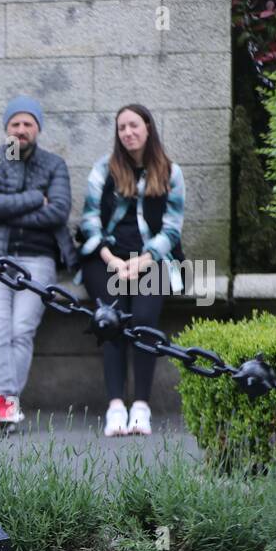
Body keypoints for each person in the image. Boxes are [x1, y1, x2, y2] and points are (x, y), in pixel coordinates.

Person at [77, 103, 186, 437]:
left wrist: (144, 260)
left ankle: (141, 405)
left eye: (134, 125)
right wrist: (112, 259)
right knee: (110, 319)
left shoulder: (170, 173)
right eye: (122, 127)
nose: (128, 133)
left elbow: (172, 229)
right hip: (107, 258)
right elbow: (89, 221)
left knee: (143, 320)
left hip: (151, 260)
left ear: (148, 128)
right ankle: (115, 407)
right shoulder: (103, 169)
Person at [0, 96, 77, 433]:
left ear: (38, 128)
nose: (21, 130)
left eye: (28, 123)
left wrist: (12, 208)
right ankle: (6, 402)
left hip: (39, 259)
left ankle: (1, 403)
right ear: (6, 128)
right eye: (15, 123)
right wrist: (35, 199)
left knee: (22, 329)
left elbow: (58, 211)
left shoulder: (54, 164)